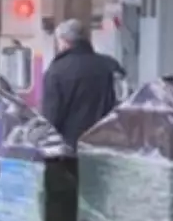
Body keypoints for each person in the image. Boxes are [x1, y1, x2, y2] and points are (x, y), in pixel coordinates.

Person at [41, 18, 124, 148]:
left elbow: (51, 118)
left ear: (64, 42)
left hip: (71, 148)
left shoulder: (56, 71)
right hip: (104, 145)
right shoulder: (108, 66)